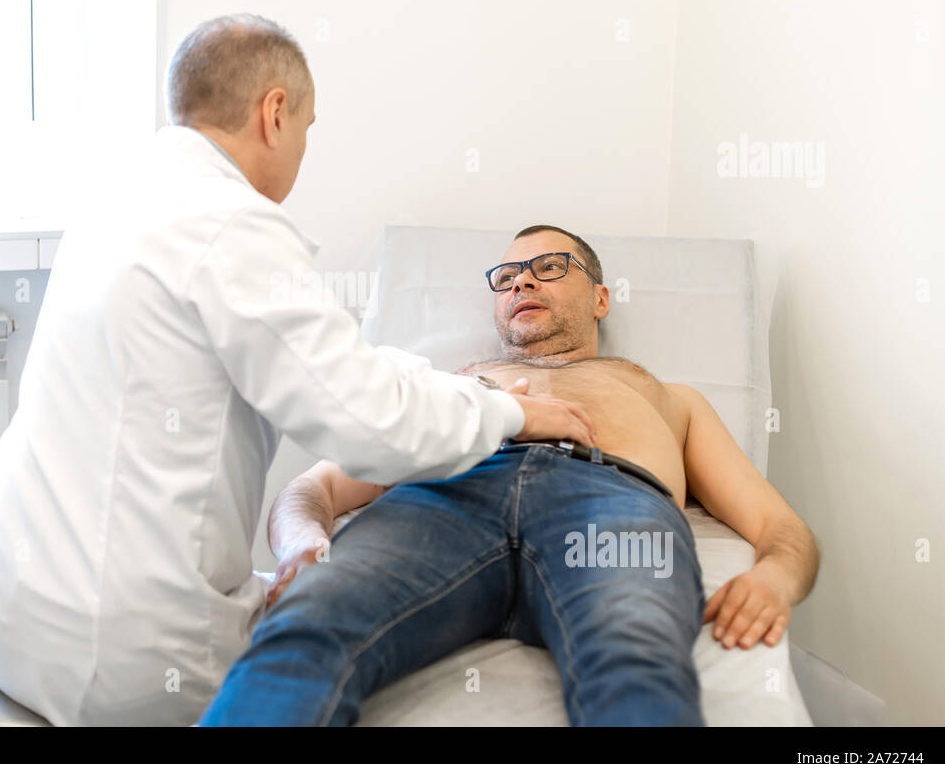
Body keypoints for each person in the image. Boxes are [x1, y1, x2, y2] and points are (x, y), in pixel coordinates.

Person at [0, 16, 595, 725]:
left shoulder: (119, 198)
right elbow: (369, 420)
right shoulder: (231, 226)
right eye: (308, 128)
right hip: (114, 652)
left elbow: (336, 374)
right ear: (274, 113)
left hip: (0, 601)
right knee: (336, 669)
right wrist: (507, 409)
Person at [200, 224, 820, 726]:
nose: (522, 279)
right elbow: (315, 488)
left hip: (609, 501)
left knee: (635, 660)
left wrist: (774, 578)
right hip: (445, 494)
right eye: (507, 276)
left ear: (600, 298)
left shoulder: (667, 396)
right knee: (307, 624)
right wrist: (301, 539)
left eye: (550, 266)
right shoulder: (446, 389)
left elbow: (780, 526)